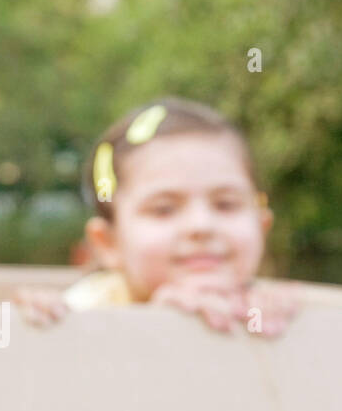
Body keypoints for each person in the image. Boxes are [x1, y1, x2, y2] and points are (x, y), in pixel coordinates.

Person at [16, 97, 296, 335]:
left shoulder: (267, 308)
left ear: (262, 227)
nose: (201, 225)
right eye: (164, 209)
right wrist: (41, 313)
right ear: (108, 244)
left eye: (226, 204)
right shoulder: (82, 310)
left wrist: (285, 321)